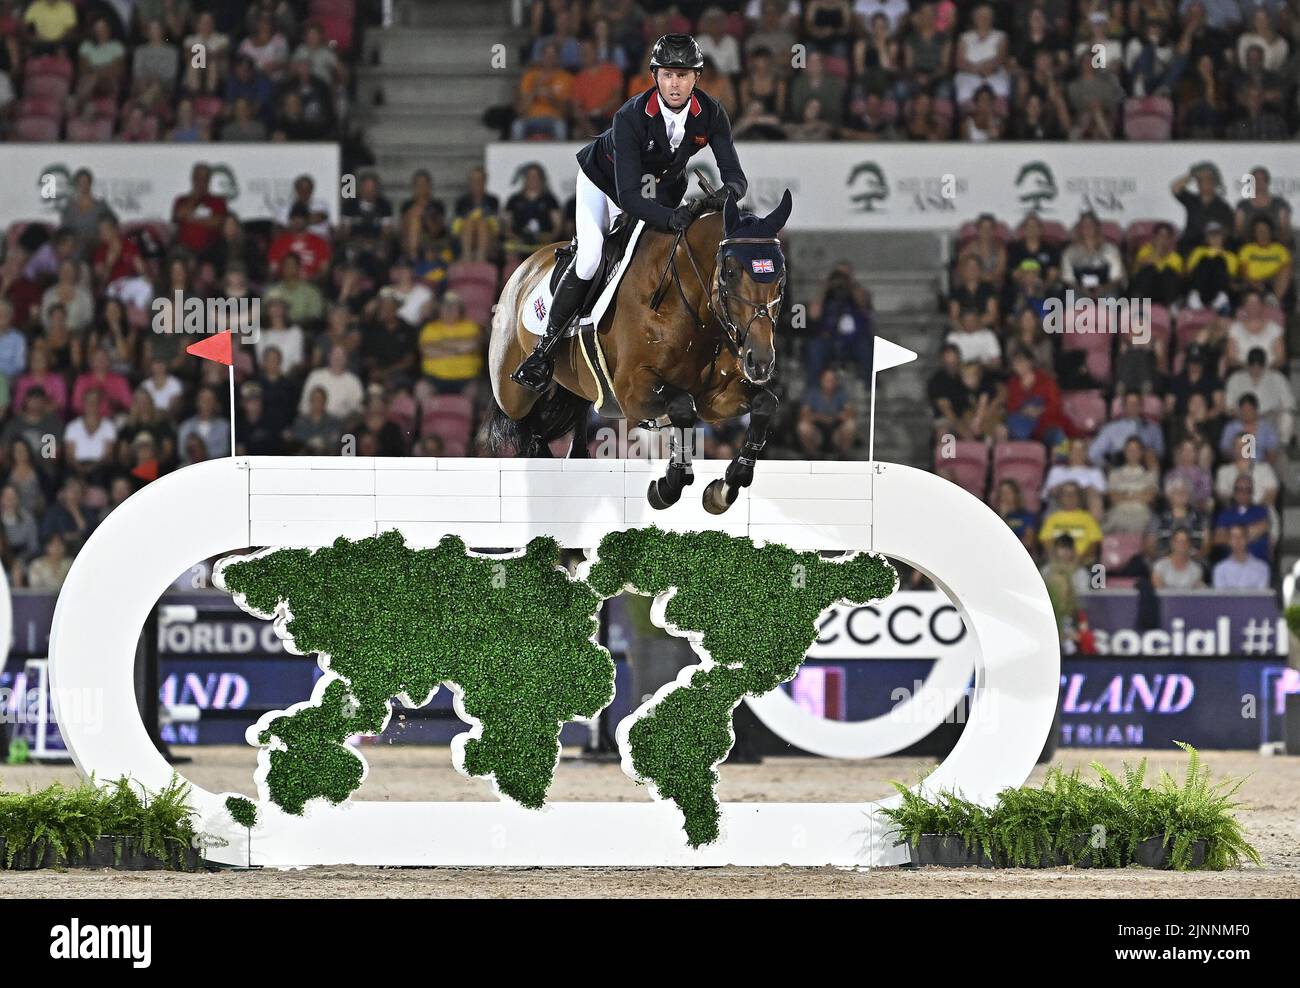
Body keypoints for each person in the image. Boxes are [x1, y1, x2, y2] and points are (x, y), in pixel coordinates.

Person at [511, 34, 748, 393]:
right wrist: (670, 219)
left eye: (684, 75)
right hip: (604, 185)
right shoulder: (630, 117)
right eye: (668, 74)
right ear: (654, 75)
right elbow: (629, 197)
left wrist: (724, 196)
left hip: (664, 187)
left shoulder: (712, 113)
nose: (675, 84)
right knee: (591, 255)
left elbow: (736, 176)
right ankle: (544, 350)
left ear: (697, 78)